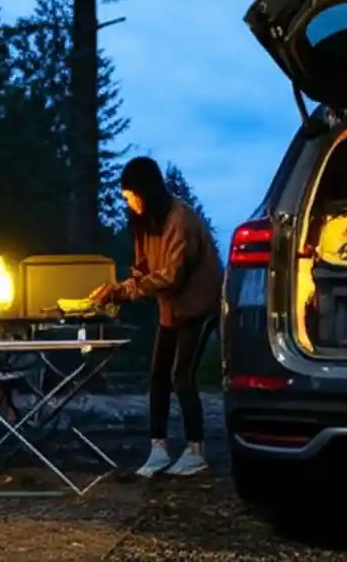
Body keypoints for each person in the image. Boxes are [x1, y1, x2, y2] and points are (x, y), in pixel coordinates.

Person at [90, 156, 223, 477]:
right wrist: (119, 289)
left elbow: (172, 275)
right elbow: (144, 271)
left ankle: (196, 450)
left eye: (131, 195)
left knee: (182, 375)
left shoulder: (181, 219)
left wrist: (124, 291)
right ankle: (158, 448)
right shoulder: (144, 224)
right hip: (170, 308)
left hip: (197, 304)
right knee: (157, 375)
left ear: (145, 191)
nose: (128, 201)